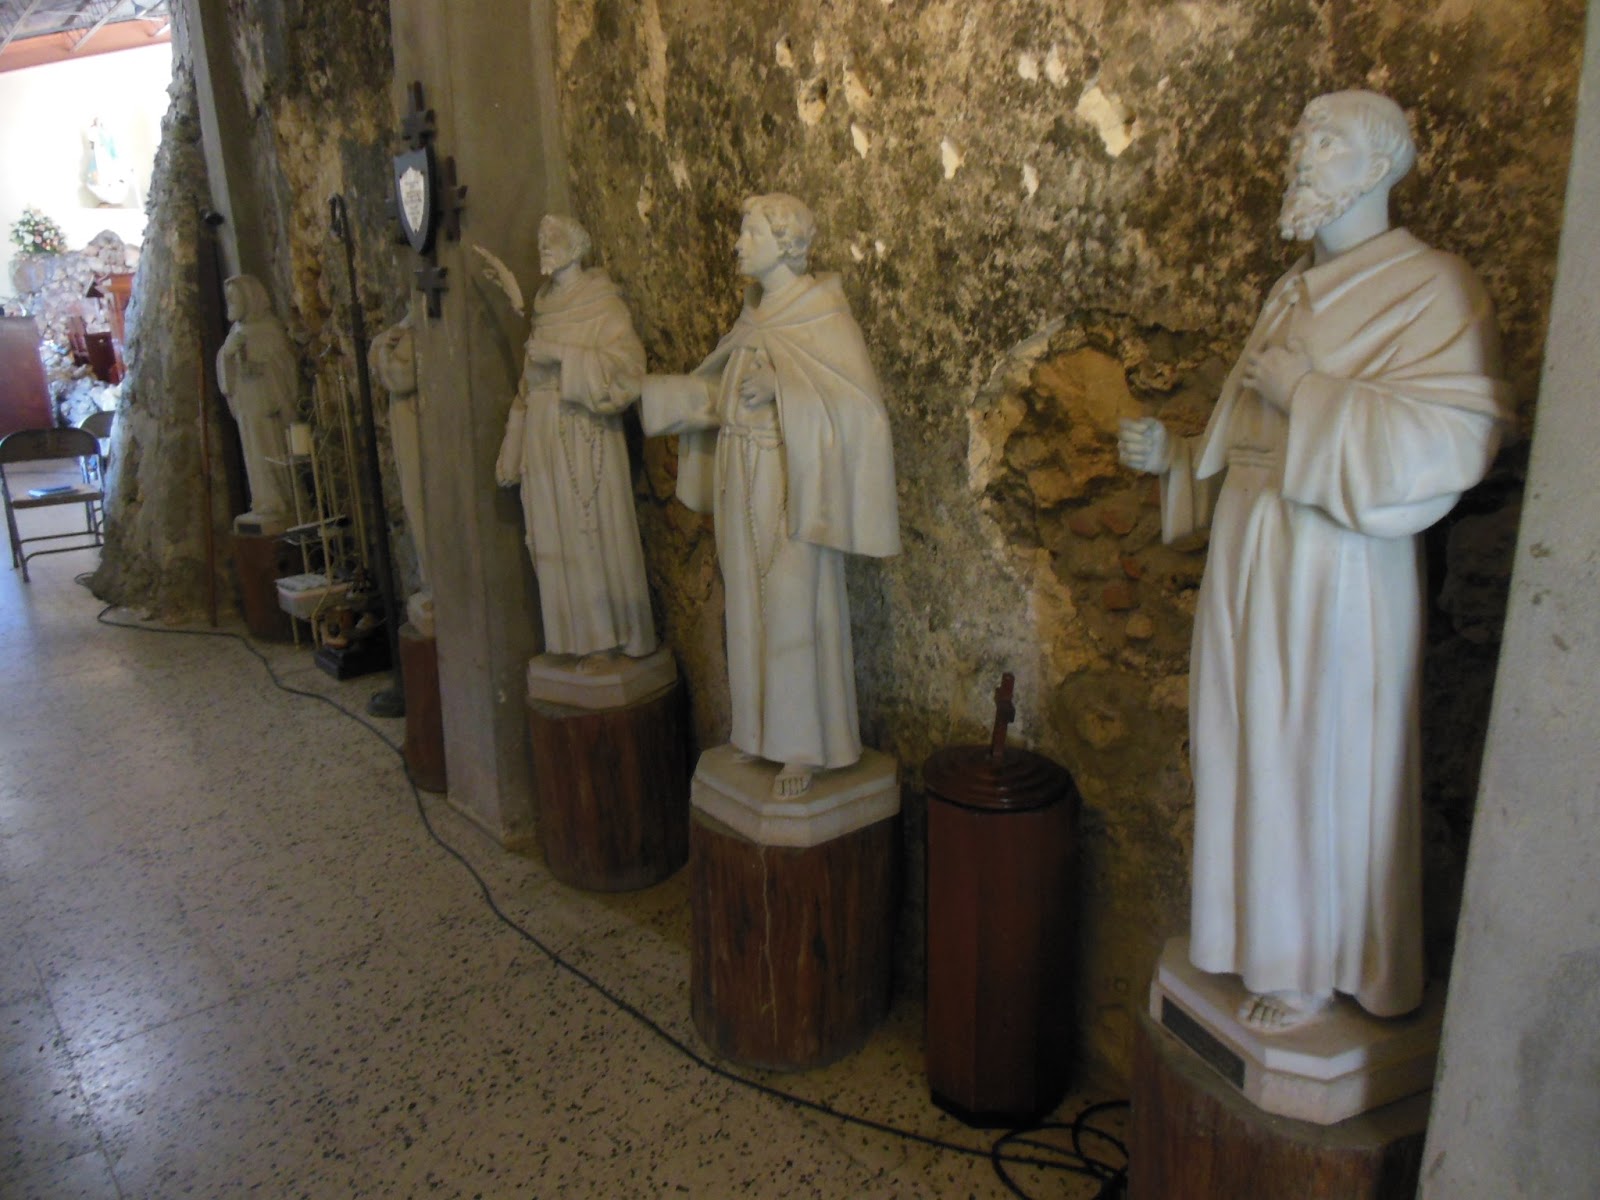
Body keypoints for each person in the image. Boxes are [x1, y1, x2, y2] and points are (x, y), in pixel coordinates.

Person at [1119, 91, 1510, 1032]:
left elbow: (1459, 439)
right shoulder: (1290, 291)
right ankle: (1256, 941)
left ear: (1376, 165)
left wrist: (1311, 394)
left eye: (1324, 142)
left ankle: (1309, 966)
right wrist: (1178, 458)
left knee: (1316, 752)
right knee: (1245, 740)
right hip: (1252, 545)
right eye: (1301, 139)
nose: (1300, 157)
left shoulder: (1433, 288)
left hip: (1338, 561)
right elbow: (1246, 440)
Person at [643, 194, 900, 799]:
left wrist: (783, 387)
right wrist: (671, 400)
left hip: (794, 489)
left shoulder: (822, 317)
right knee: (748, 603)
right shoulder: (754, 319)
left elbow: (863, 415)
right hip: (742, 477)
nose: (738, 243)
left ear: (785, 244)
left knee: (793, 608)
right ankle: (759, 733)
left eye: (750, 233)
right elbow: (726, 395)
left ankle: (804, 746)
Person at [495, 215, 657, 669]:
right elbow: (527, 385)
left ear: (577, 246)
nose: (544, 246)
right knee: (553, 537)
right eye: (541, 240)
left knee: (591, 535)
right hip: (544, 434)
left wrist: (563, 356)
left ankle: (607, 640)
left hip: (585, 434)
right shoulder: (545, 307)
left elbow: (629, 371)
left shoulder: (603, 305)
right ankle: (573, 640)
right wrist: (514, 444)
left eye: (553, 239)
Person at [216, 275, 296, 529]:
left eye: (234, 298)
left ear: (250, 298)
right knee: (254, 455)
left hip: (267, 405)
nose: (230, 303)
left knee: (271, 452)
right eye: (228, 298)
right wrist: (228, 353)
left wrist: (262, 367)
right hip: (246, 407)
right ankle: (262, 501)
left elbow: (283, 367)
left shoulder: (269, 330)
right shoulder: (235, 333)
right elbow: (225, 368)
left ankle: (279, 502)